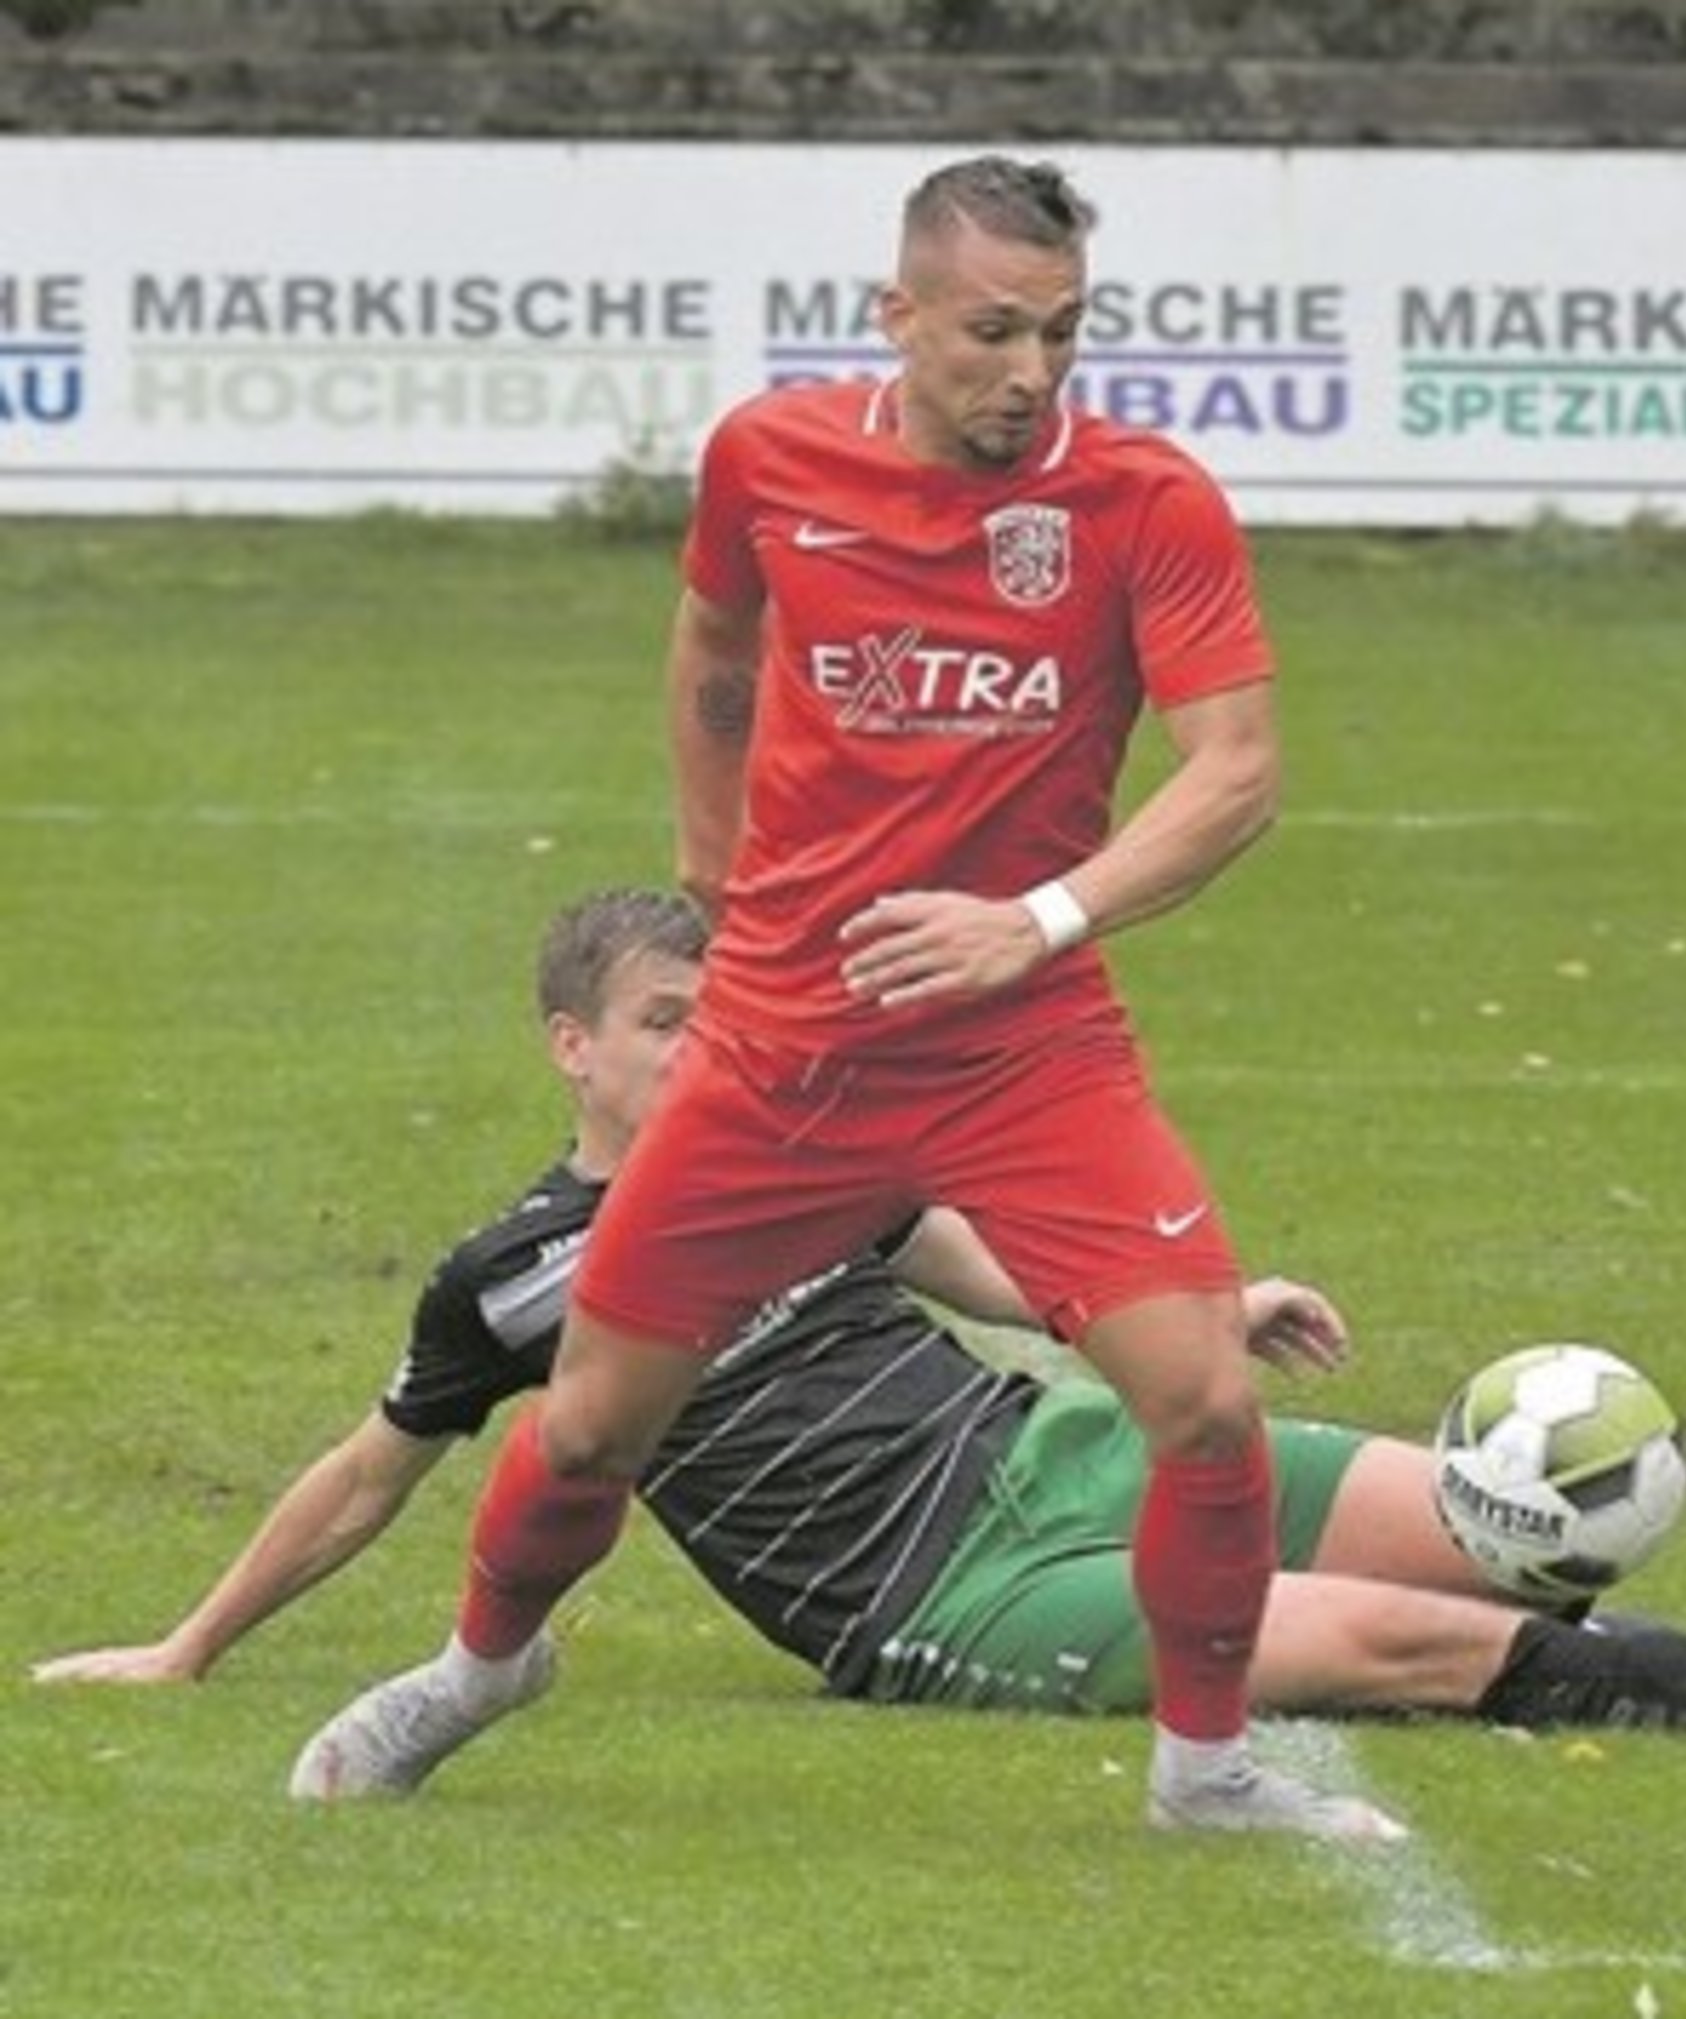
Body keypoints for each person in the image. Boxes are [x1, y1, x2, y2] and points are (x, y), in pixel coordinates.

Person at [281, 151, 1400, 1841]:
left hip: (1027, 1053)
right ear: (898, 315)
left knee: (1206, 1407)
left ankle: (1206, 1772)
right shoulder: (770, 458)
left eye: (1063, 334)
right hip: (783, 1055)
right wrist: (710, 858)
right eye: (993, 332)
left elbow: (1234, 772)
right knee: (586, 1436)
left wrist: (1036, 921)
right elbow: (716, 644)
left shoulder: (1143, 500)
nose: (1030, 373)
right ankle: (478, 1671)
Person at [37, 889, 1686, 1759]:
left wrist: (1210, 1306)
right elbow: (370, 1469)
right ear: (573, 1044)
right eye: (662, 1023)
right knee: (1399, 1644)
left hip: (1059, 1454)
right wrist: (189, 1643)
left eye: (722, 1013)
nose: (704, 1048)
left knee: (1476, 1527)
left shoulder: (811, 1153)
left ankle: (1685, 1664)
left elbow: (1006, 1267)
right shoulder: (513, 1276)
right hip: (948, 1593)